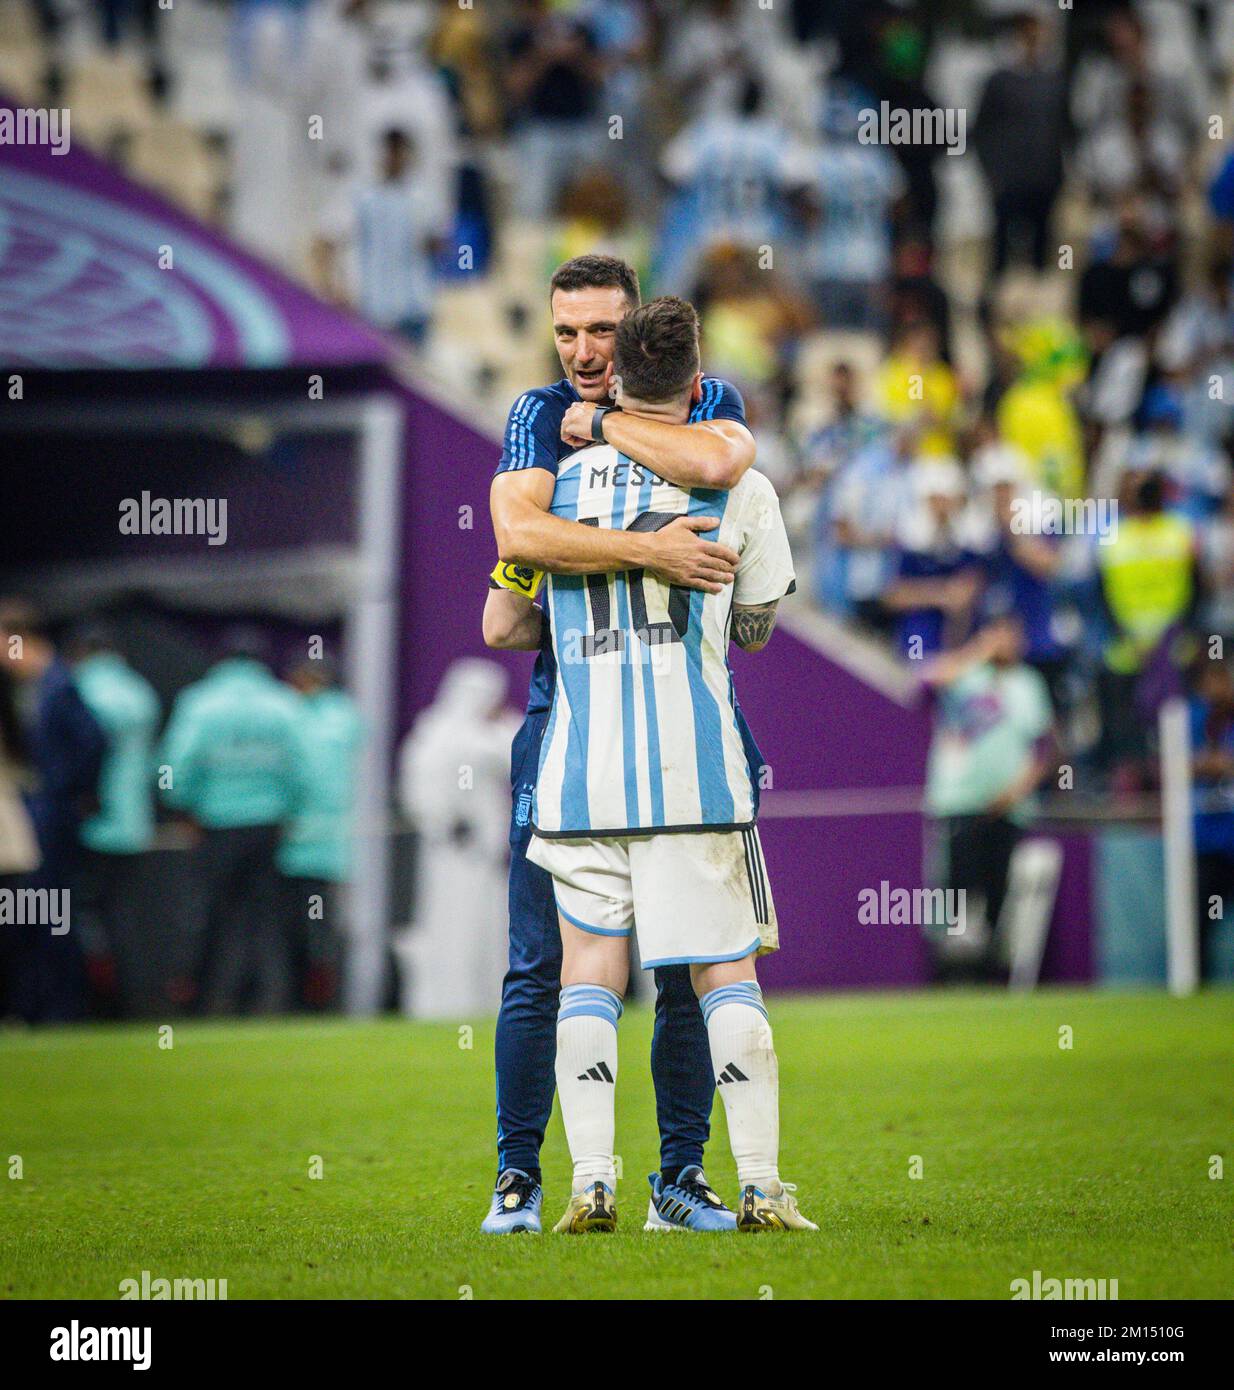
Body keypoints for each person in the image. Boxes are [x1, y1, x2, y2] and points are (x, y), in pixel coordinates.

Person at [502, 296, 816, 1234]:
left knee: (586, 977)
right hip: (693, 774)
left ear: (617, 376)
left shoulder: (550, 488)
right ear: (696, 379)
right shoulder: (739, 489)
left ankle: (590, 1182)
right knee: (725, 976)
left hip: (579, 776)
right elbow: (757, 626)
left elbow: (502, 615)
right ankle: (756, 1184)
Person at [159, 630, 306, 1016]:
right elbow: (303, 768)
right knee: (266, 919)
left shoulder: (201, 702)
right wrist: (288, 807)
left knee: (206, 913)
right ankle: (273, 1001)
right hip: (268, 825)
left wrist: (183, 807)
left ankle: (202, 1001)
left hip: (215, 824)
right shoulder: (283, 703)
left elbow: (176, 763)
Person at [921, 615, 1056, 983]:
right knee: (955, 892)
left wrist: (1017, 790)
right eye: (998, 633)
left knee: (999, 891)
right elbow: (926, 681)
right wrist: (979, 650)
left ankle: (992, 970)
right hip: (958, 803)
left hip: (1008, 808)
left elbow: (1043, 747)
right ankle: (950, 970)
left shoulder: (1028, 684)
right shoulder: (964, 673)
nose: (1005, 642)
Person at [0, 601, 105, 1023]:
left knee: (51, 914)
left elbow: (92, 742)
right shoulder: (30, 688)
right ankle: (36, 1007)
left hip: (52, 818)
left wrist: (68, 794)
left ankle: (62, 1008)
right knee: (32, 914)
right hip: (39, 813)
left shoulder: (57, 685)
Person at [396, 659, 517, 1019]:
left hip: (487, 856)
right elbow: (419, 790)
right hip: (451, 852)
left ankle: (485, 1001)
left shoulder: (486, 733)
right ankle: (447, 1003)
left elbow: (519, 749)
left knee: (489, 930)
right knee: (451, 928)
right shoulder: (437, 733)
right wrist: (443, 819)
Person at [68, 625, 161, 1017]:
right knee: (129, 918)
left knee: (78, 916)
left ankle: (93, 1001)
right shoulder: (140, 691)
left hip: (90, 824)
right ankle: (134, 1000)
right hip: (134, 825)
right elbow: (156, 763)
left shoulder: (77, 689)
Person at [278, 657, 363, 1011]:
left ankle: (306, 1002)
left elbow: (294, 778)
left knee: (301, 930)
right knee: (324, 927)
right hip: (335, 844)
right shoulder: (347, 717)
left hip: (297, 842)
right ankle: (329, 1001)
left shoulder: (294, 716)